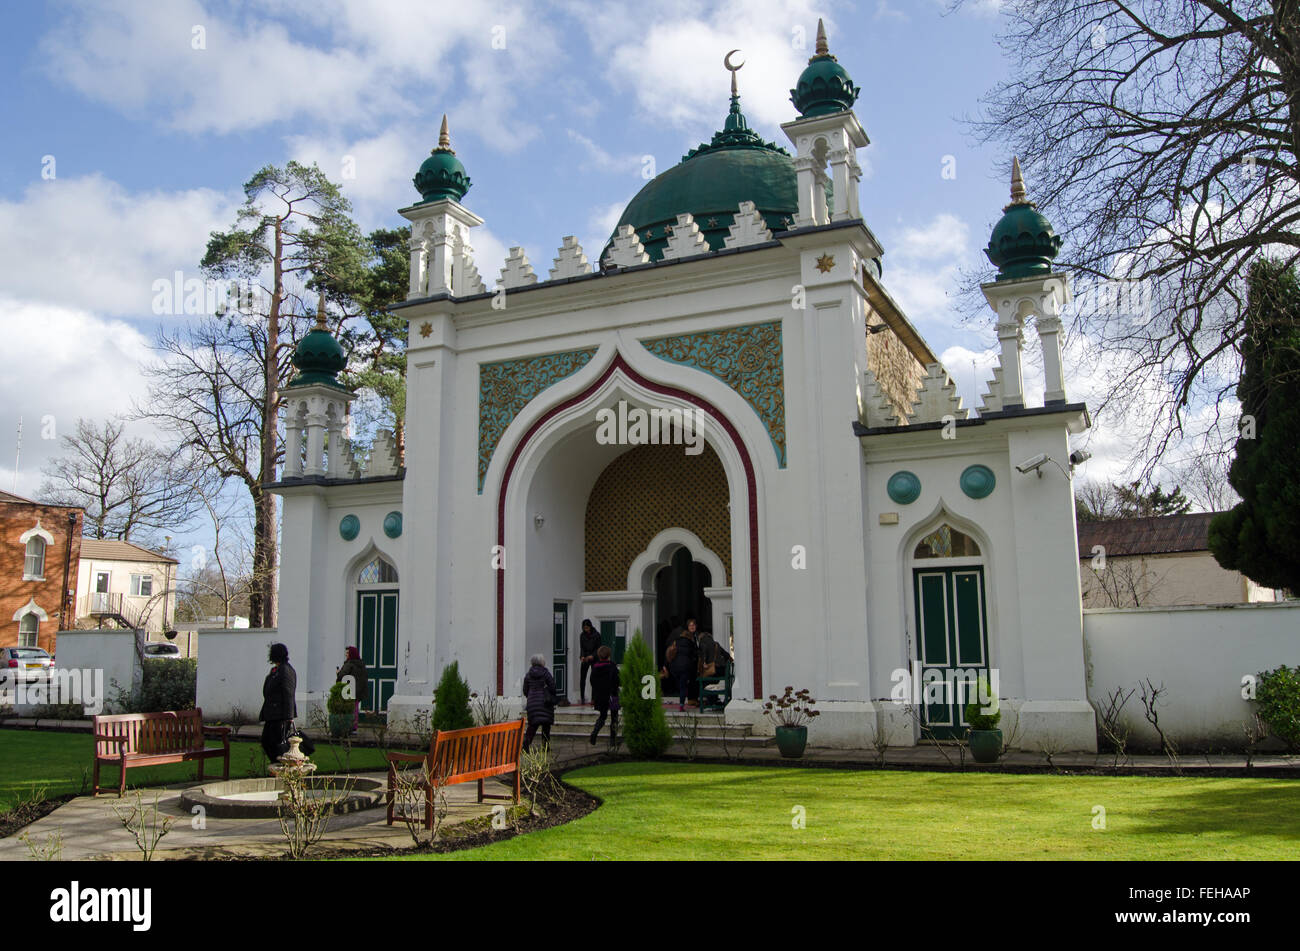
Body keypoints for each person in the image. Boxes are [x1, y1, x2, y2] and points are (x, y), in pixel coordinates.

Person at [260, 643, 297, 761]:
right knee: (267, 741)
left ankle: (280, 765)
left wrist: (288, 716)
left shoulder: (285, 671)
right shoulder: (276, 670)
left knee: (275, 743)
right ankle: (277, 764)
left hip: (280, 715)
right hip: (272, 714)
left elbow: (288, 693)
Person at [522, 654, 556, 752]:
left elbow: (525, 690)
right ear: (542, 662)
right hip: (545, 703)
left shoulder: (528, 675)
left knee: (532, 725)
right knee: (546, 725)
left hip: (532, 703)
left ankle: (526, 745)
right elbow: (553, 687)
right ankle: (545, 747)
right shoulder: (546, 673)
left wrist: (531, 696)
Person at [588, 645, 621, 748]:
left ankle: (595, 732)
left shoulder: (595, 668)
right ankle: (613, 740)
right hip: (612, 695)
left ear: (599, 655)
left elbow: (592, 681)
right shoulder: (612, 666)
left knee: (602, 716)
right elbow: (617, 680)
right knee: (614, 717)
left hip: (600, 695)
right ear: (609, 655)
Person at [335, 646, 369, 734]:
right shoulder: (361, 665)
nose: (346, 655)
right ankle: (354, 726)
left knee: (349, 709)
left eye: (347, 653)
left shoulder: (349, 664)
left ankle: (348, 726)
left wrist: (338, 673)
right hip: (359, 690)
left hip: (349, 690)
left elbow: (342, 675)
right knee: (355, 709)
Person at [668, 618, 699, 712]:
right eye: (690, 625)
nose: (692, 627)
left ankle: (684, 698)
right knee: (684, 686)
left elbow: (670, 652)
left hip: (675, 667)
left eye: (693, 625)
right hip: (686, 667)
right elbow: (695, 654)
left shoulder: (676, 641)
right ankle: (681, 705)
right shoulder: (691, 642)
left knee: (681, 684)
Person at [577, 619, 601, 705]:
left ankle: (593, 698)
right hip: (586, 657)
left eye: (587, 628)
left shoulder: (597, 635)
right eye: (584, 628)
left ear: (590, 627)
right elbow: (582, 648)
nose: (585, 630)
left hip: (594, 658)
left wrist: (593, 656)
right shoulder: (582, 635)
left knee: (593, 678)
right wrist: (582, 656)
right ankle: (582, 697)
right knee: (582, 678)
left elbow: (598, 648)